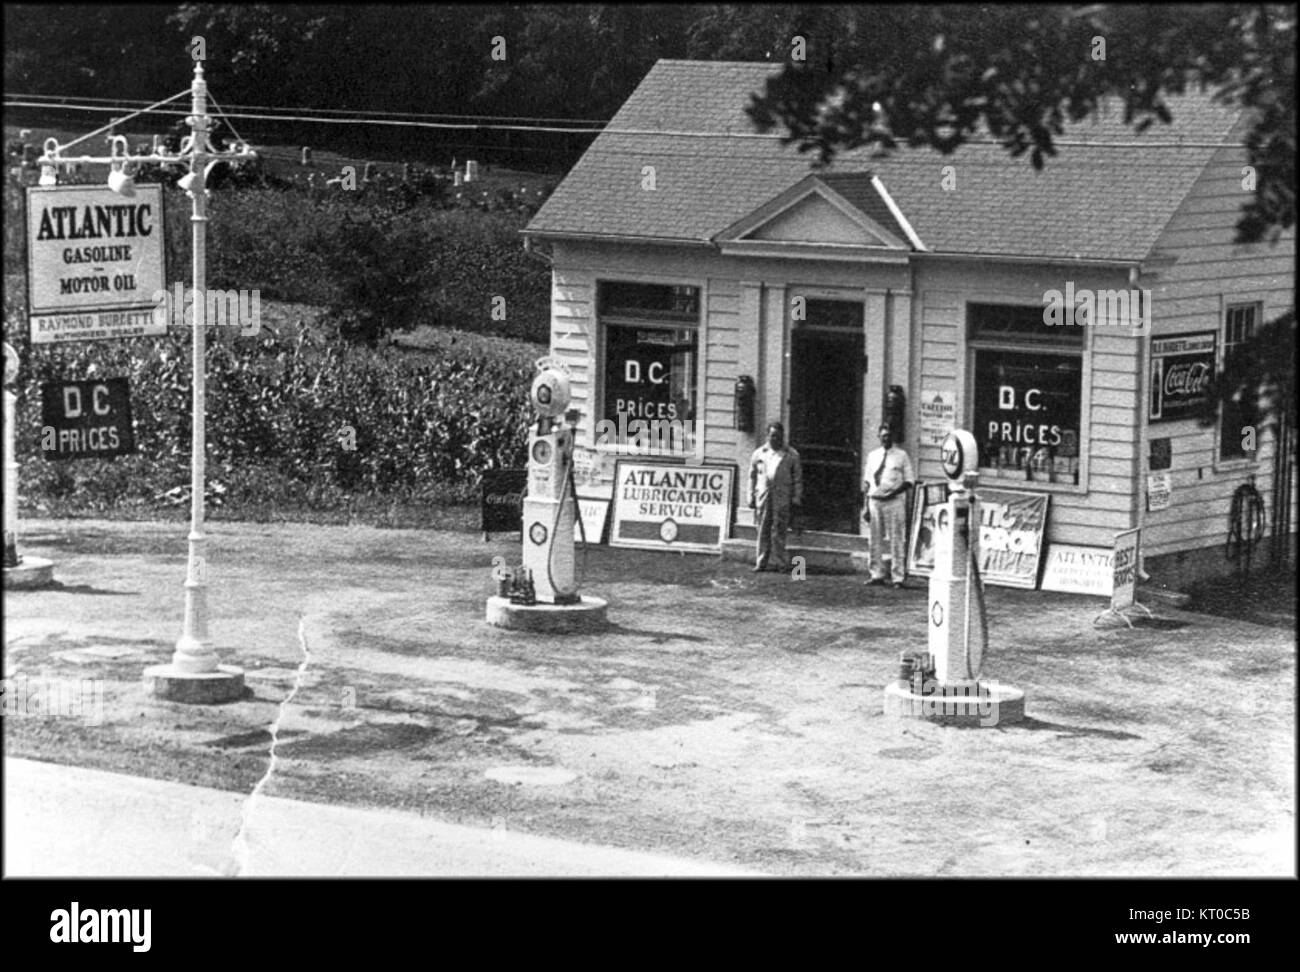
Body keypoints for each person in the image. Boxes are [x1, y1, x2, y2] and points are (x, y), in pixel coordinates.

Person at [863, 423, 914, 588]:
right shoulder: (872, 456)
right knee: (874, 540)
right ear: (879, 437)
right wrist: (865, 506)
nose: (886, 438)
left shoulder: (901, 456)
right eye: (883, 435)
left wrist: (893, 492)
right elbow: (867, 483)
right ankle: (876, 574)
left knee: (896, 540)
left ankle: (898, 577)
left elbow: (909, 481)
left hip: (894, 501)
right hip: (875, 501)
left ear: (893, 437)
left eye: (889, 435)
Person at [749, 421, 803, 572]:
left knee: (779, 528)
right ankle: (761, 562)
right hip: (764, 495)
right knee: (763, 528)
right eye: (773, 436)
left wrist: (796, 497)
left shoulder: (791, 454)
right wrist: (750, 496)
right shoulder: (759, 453)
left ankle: (781, 562)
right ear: (767, 436)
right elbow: (752, 476)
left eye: (778, 436)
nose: (776, 439)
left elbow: (797, 478)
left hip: (782, 495)